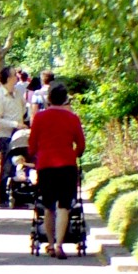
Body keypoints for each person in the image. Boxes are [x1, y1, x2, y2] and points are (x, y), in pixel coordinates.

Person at [27, 80, 87, 256]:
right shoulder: (72, 118)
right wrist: (73, 154)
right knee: (64, 206)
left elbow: (32, 146)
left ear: (49, 99)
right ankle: (60, 244)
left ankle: (51, 243)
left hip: (46, 165)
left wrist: (35, 156)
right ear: (65, 99)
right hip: (67, 165)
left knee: (48, 206)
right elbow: (81, 145)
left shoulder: (40, 118)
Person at [0, 67, 29, 206]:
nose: (16, 77)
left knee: (19, 165)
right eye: (13, 75)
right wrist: (14, 124)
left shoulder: (18, 93)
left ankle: (18, 196)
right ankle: (2, 196)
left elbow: (24, 108)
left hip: (19, 135)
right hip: (5, 135)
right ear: (7, 78)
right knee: (6, 167)